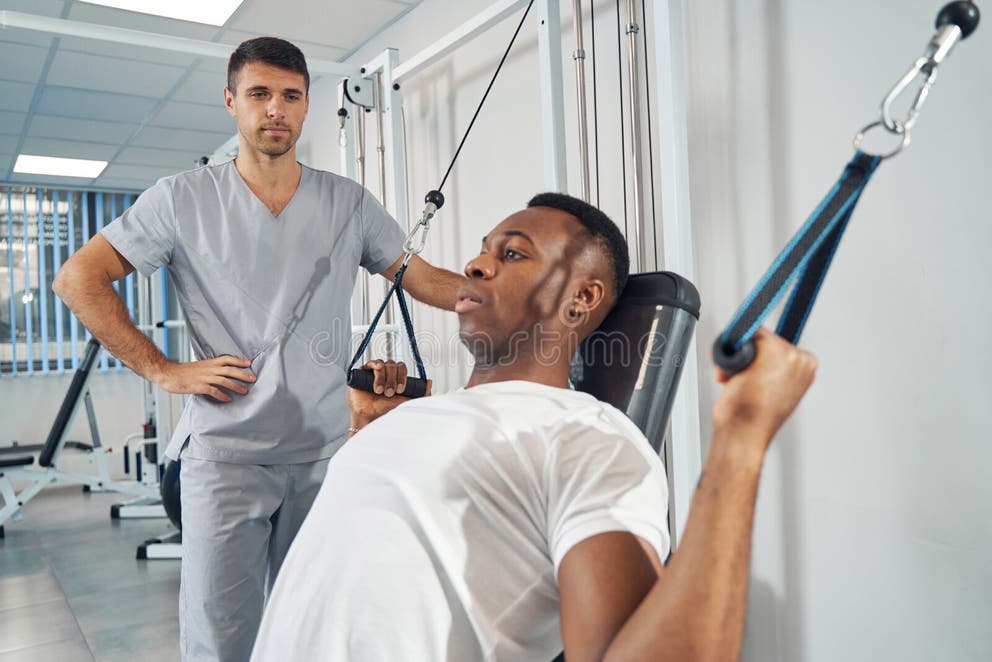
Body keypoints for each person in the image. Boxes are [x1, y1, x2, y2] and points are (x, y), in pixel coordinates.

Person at [250, 193, 818, 661]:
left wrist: (741, 438)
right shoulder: (417, 414)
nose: (474, 265)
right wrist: (362, 432)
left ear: (581, 299)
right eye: (481, 251)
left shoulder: (588, 437)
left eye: (513, 255)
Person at [52, 37, 464, 662]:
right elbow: (78, 278)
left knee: (321, 633)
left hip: (323, 458)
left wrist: (520, 294)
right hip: (227, 458)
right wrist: (163, 370)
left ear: (305, 108)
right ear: (232, 102)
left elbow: (424, 279)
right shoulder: (181, 199)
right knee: (222, 641)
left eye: (291, 96)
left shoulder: (347, 201)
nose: (276, 109)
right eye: (260, 94)